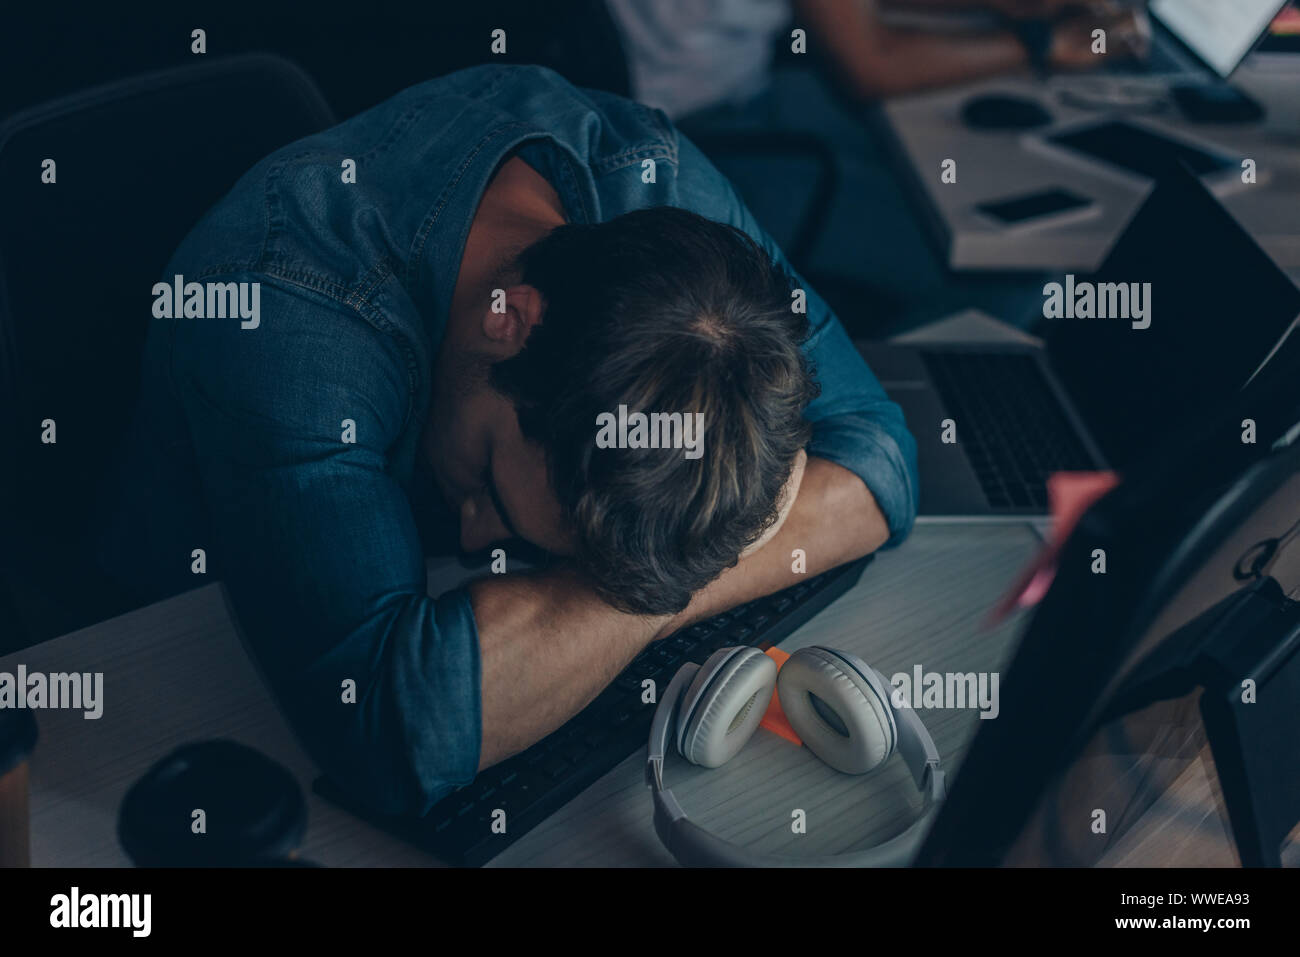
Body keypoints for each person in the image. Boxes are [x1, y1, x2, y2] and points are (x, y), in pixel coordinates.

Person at [97, 65, 918, 816]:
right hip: (172, 683)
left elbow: (879, 457)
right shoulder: (278, 305)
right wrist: (681, 564)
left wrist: (660, 562)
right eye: (492, 478)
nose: (476, 534)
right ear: (511, 319)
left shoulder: (657, 194)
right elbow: (395, 730)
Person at [607, 0, 1150, 119]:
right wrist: (1044, 46)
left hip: (693, 88)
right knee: (1019, 281)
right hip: (688, 130)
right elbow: (871, 67)